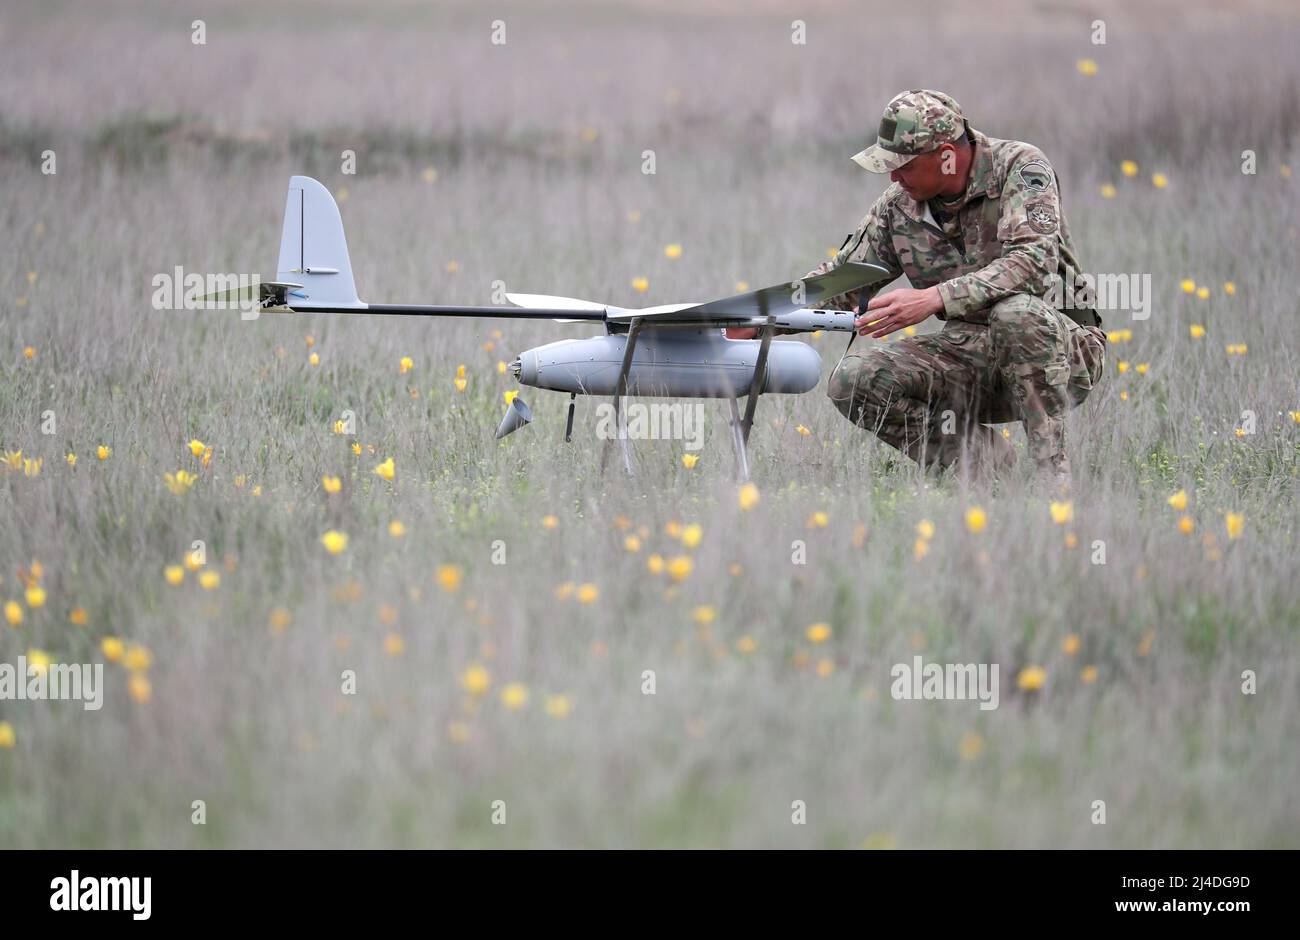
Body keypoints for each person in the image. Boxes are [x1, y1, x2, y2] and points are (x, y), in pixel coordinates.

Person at [734, 90, 1106, 487]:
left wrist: (935, 298)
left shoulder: (1020, 168)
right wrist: (756, 319)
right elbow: (843, 280)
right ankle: (987, 471)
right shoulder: (899, 206)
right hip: (972, 351)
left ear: (947, 155)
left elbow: (1033, 264)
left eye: (904, 166)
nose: (894, 177)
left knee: (1014, 314)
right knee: (854, 380)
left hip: (1060, 350)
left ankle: (1054, 483)